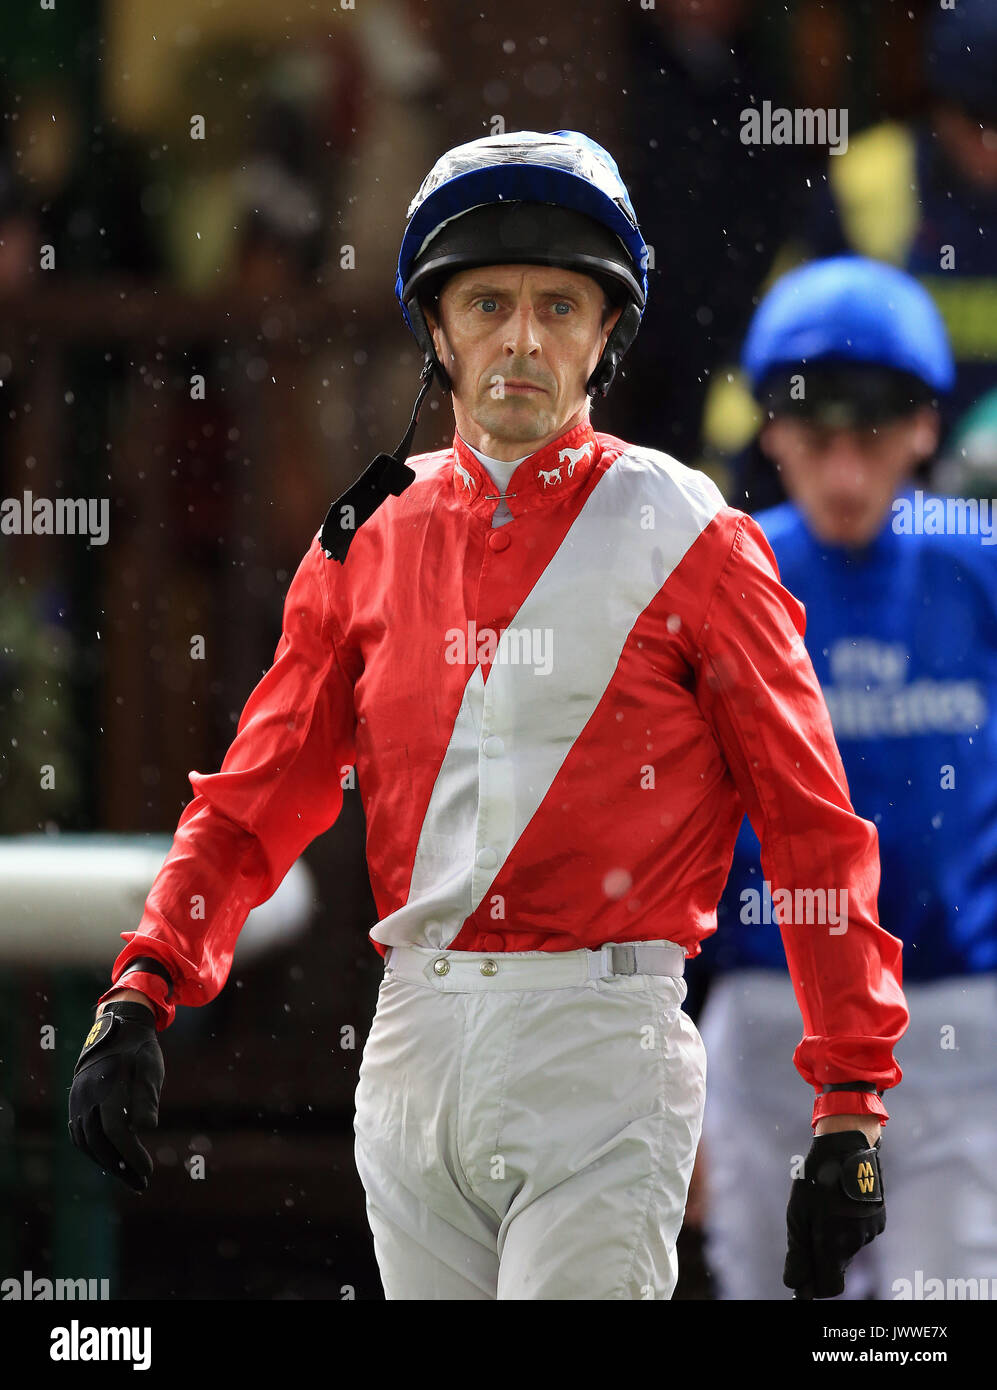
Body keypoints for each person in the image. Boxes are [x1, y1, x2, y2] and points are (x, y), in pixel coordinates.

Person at [68, 131, 908, 1301]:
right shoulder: (362, 534)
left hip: (601, 1047)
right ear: (436, 329)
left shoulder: (698, 536)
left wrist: (851, 1106)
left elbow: (813, 825)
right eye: (487, 303)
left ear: (605, 333)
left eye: (560, 305)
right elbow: (257, 792)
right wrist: (143, 983)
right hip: (413, 1041)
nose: (522, 340)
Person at [694, 254, 997, 1301]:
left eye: (869, 437)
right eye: (816, 438)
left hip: (952, 1008)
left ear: (922, 429)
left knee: (943, 1298)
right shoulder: (722, 573)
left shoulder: (980, 563)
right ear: (772, 434)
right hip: (769, 1009)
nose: (844, 474)